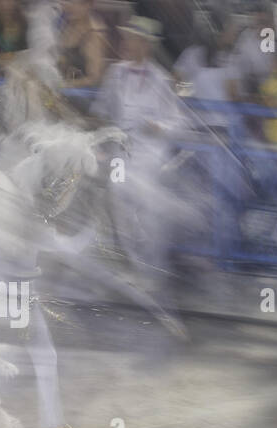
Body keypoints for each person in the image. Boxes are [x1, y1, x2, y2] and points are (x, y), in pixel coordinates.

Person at [92, 16, 190, 296]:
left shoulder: (161, 79)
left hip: (149, 156)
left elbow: (180, 122)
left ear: (145, 45)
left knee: (148, 214)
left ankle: (152, 273)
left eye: (132, 40)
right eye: (126, 39)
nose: (126, 44)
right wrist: (101, 139)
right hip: (121, 155)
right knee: (119, 205)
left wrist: (160, 127)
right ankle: (129, 270)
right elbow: (101, 110)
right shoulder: (115, 74)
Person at [55, 0, 107, 87]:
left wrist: (64, 85)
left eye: (76, 3)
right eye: (69, 1)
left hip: (78, 95)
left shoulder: (93, 36)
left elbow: (94, 78)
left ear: (89, 5)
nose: (70, 6)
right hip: (58, 84)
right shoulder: (67, 24)